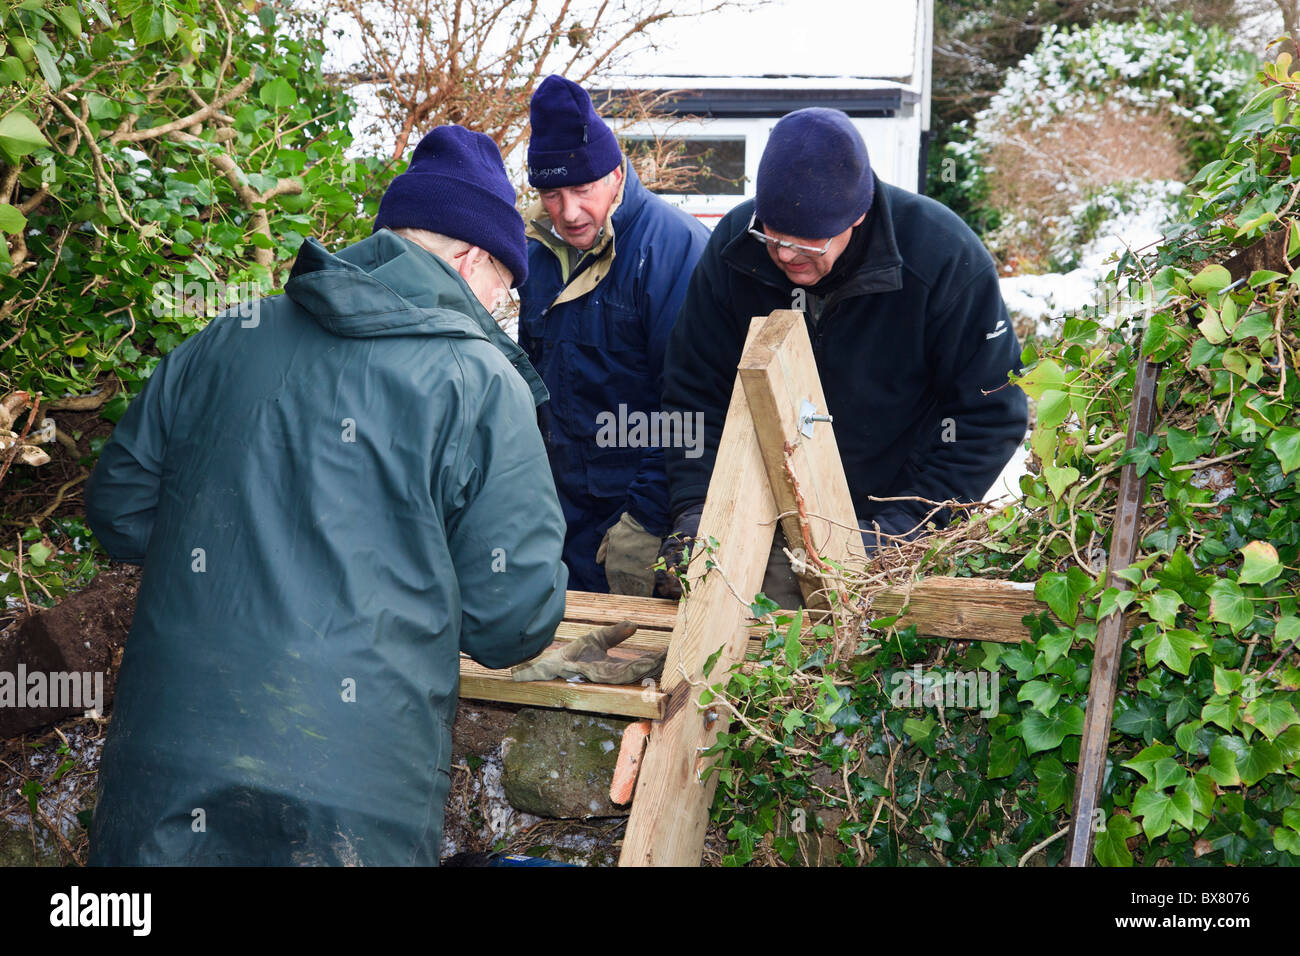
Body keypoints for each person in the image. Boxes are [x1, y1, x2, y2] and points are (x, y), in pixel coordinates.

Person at [84, 126, 570, 865]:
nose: (504, 305)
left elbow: (119, 510)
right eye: (508, 284)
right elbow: (511, 620)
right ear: (475, 258)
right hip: (353, 796)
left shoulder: (227, 335)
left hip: (164, 762)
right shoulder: (481, 383)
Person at [658, 108, 1029, 604]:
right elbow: (693, 391)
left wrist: (904, 528)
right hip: (759, 518)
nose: (786, 255)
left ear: (857, 214)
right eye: (773, 236)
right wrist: (698, 507)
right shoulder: (736, 248)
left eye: (808, 242)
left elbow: (989, 414)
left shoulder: (943, 259)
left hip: (890, 523)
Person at [519, 74, 709, 596]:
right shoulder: (535, 257)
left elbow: (693, 405)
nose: (569, 211)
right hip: (561, 513)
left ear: (617, 173)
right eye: (552, 194)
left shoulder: (676, 251)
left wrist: (647, 516)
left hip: (642, 512)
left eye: (583, 189)